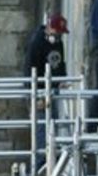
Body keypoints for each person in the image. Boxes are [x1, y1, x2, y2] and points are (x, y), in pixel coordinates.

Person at [23, 13, 69, 167]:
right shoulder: (36, 43)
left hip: (52, 93)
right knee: (42, 135)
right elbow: (29, 70)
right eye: (57, 33)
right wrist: (35, 97)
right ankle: (38, 171)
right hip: (40, 94)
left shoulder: (58, 43)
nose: (58, 37)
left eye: (61, 34)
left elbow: (60, 63)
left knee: (52, 131)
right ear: (49, 29)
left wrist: (62, 79)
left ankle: (51, 167)